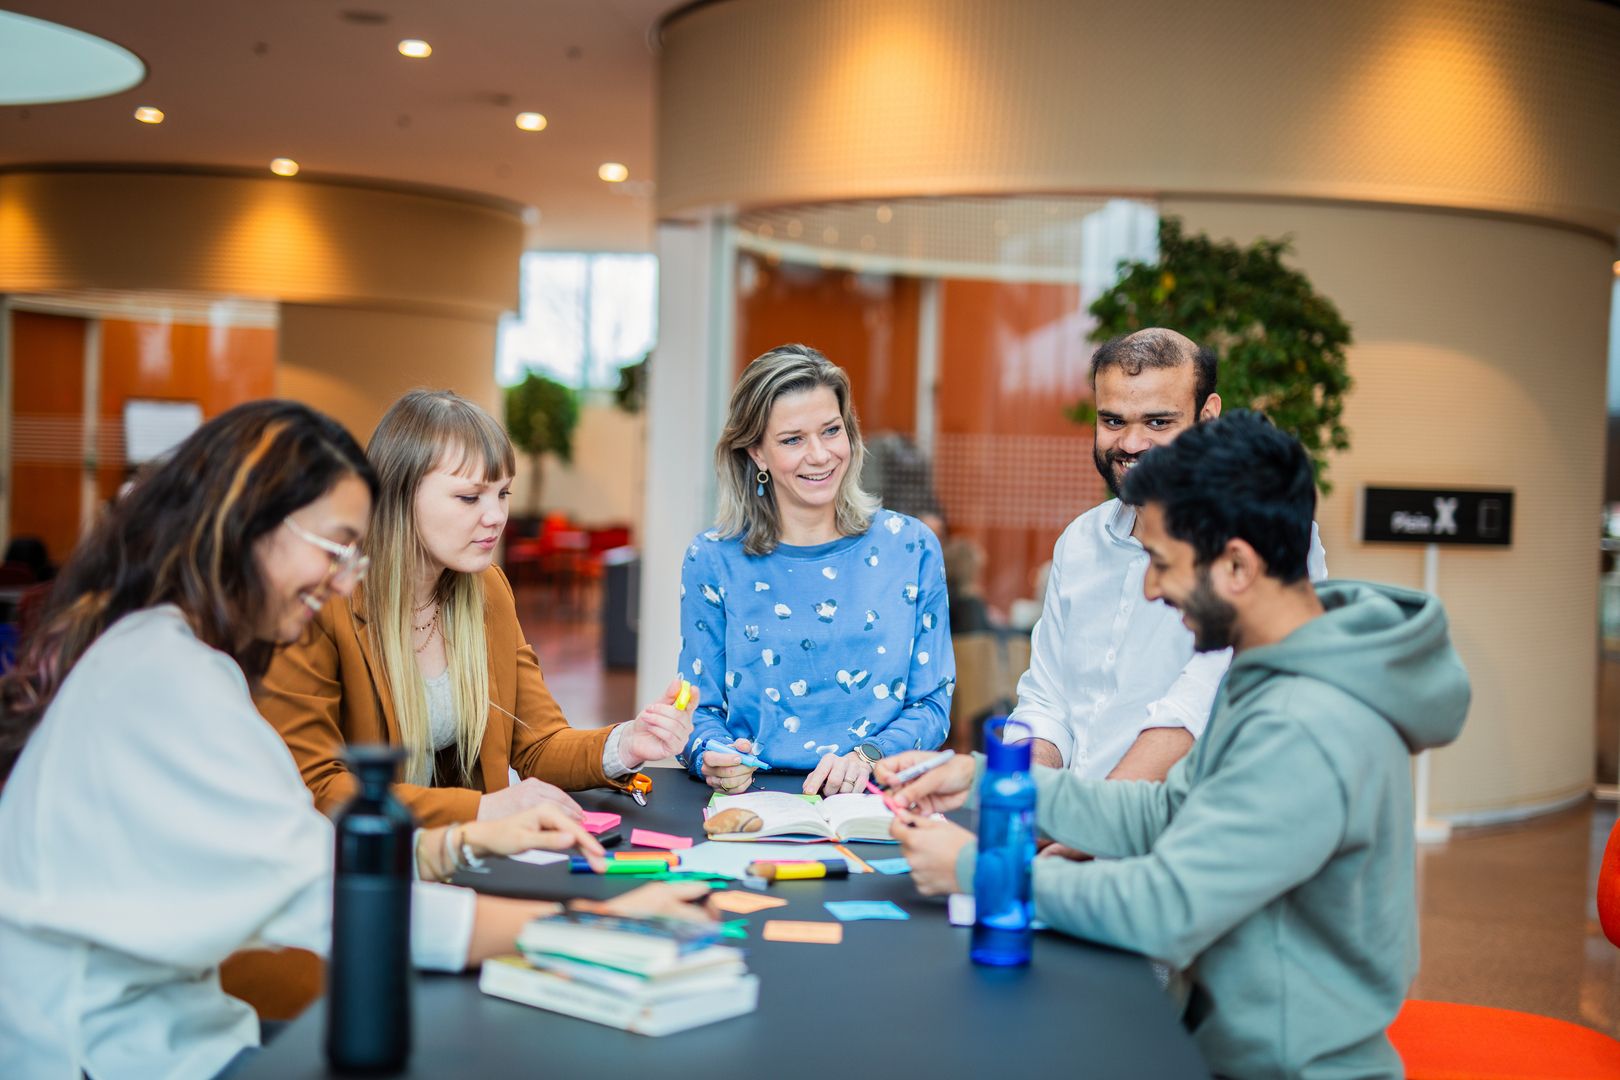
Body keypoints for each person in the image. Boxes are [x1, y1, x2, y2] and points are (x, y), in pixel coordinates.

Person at [0, 400, 712, 1078]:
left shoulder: (166, 652)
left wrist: (462, 842)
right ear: (251, 527)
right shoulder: (167, 677)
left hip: (176, 1025)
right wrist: (588, 923)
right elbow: (331, 894)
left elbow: (303, 855)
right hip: (107, 1051)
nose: (344, 581)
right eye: (337, 548)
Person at [882, 411, 1469, 1079]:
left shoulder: (1305, 722)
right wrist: (988, 779)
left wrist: (977, 871)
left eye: (1163, 563)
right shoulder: (1273, 667)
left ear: (1238, 565)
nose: (1151, 587)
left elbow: (1167, 907)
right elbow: (1167, 812)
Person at [256, 389, 694, 827]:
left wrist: (627, 742)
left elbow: (538, 744)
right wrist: (484, 810)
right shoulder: (316, 604)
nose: (496, 516)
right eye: (470, 497)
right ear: (398, 494)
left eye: (503, 493)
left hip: (460, 853)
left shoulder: (488, 590)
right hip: (359, 857)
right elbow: (316, 784)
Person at [1012, 328, 1326, 784]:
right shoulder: (1079, 540)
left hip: (1176, 819)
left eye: (1158, 423)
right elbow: (1045, 700)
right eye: (1113, 421)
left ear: (1207, 416)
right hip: (1073, 816)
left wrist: (1084, 816)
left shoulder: (1261, 535)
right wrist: (1019, 793)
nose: (1131, 443)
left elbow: (1199, 704)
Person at [680, 344, 954, 797]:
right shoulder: (711, 559)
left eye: (831, 431)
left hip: (873, 797)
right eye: (793, 440)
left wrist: (868, 756)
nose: (821, 455)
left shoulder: (911, 547)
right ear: (756, 453)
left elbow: (932, 704)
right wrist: (711, 754)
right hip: (752, 801)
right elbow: (697, 708)